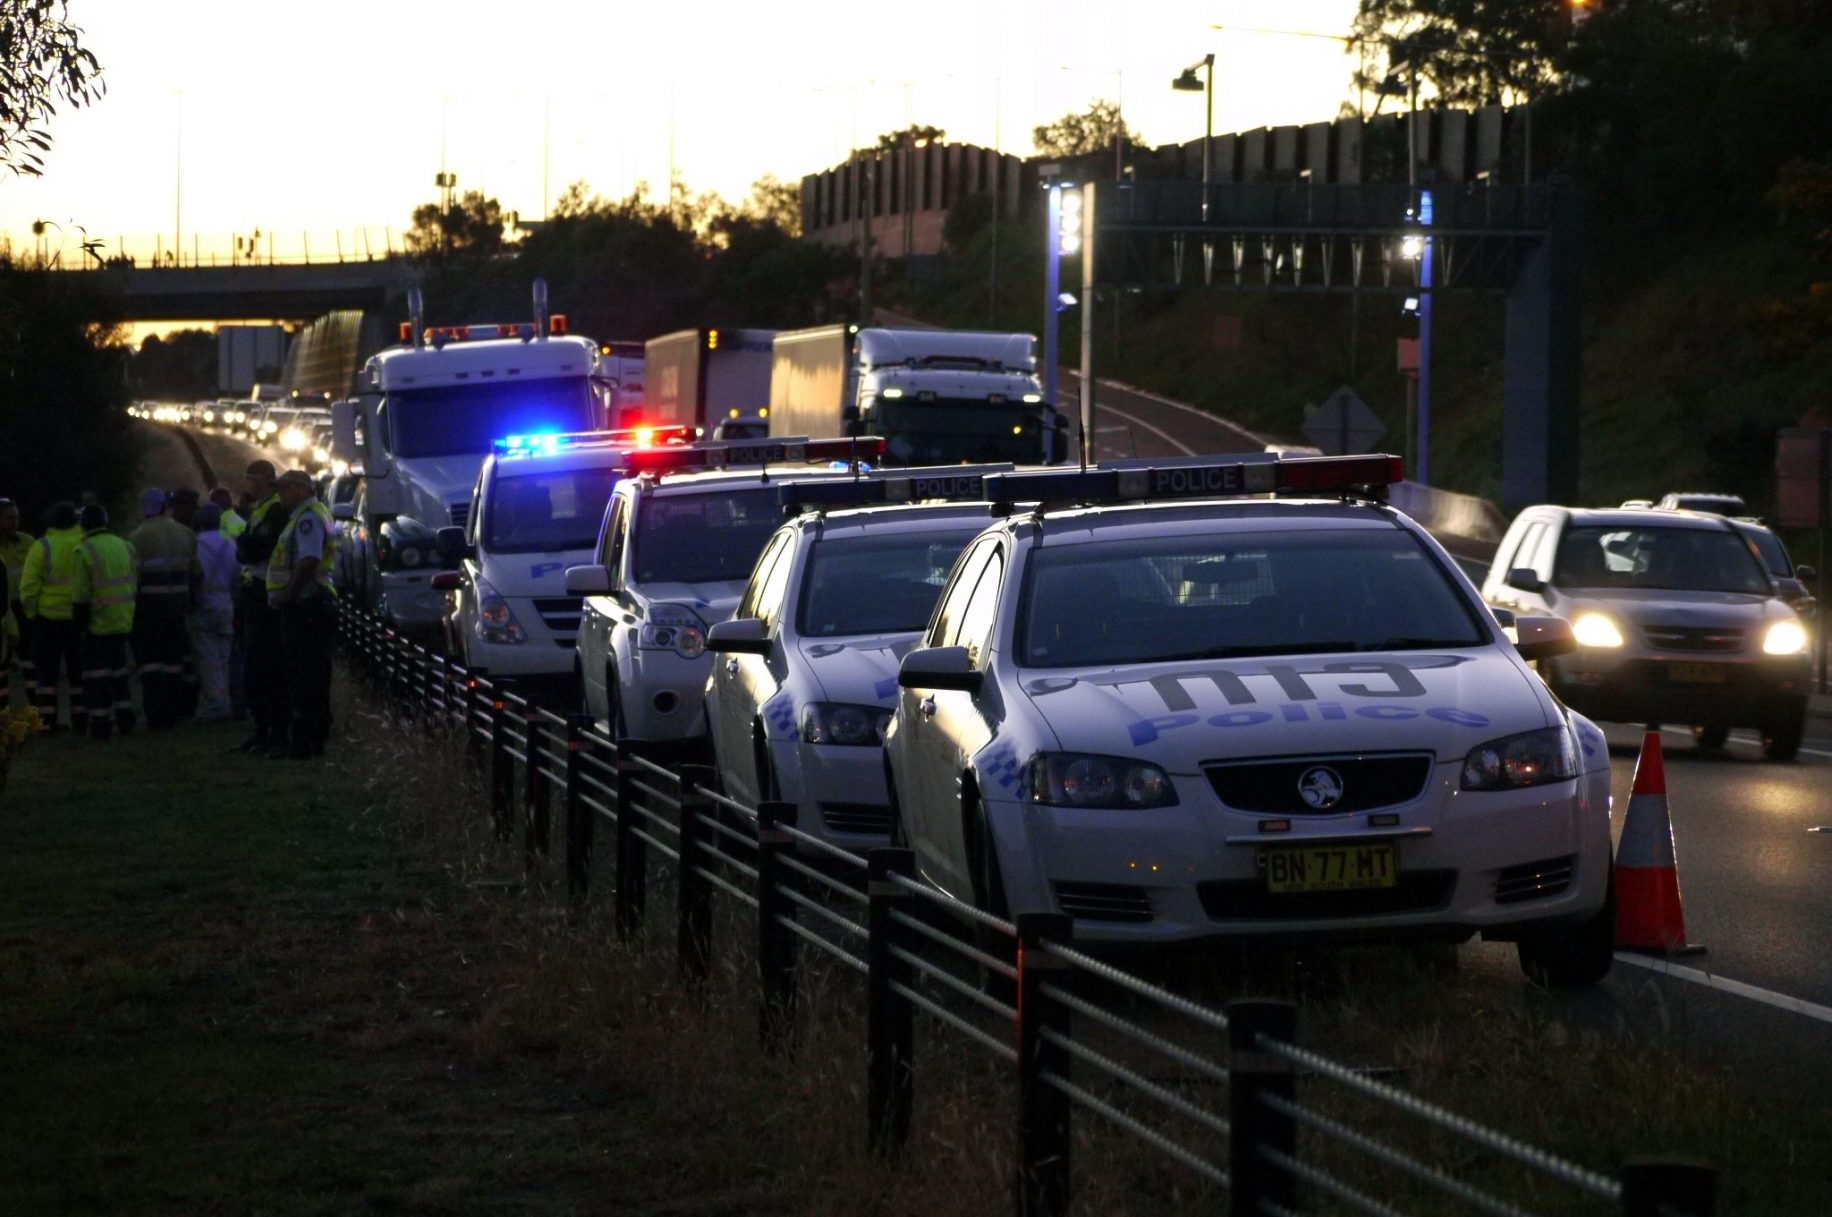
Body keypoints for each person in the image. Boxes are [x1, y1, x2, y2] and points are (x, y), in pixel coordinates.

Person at [267, 470, 337, 758]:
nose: (280, 495)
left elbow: (308, 559)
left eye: (283, 489)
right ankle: (311, 736)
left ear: (300, 489)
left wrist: (288, 594)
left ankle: (305, 740)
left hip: (306, 606)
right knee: (311, 675)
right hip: (310, 605)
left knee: (305, 676)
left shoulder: (307, 518)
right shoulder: (310, 514)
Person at [128, 487, 198, 729]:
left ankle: (156, 714)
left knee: (150, 664)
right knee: (173, 662)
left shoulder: (137, 537)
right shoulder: (186, 534)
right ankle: (174, 711)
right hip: (178, 607)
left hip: (148, 610)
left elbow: (133, 579)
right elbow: (196, 573)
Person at [19, 501, 87, 733]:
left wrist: (31, 614)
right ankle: (81, 719)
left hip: (47, 620)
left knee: (47, 675)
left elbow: (28, 587)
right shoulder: (85, 543)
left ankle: (47, 722)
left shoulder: (42, 546)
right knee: (78, 672)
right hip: (78, 618)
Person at [235, 461, 290, 752]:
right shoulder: (261, 509)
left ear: (264, 481)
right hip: (255, 590)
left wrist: (245, 543)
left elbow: (256, 548)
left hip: (265, 592)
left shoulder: (275, 510)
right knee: (255, 666)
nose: (247, 486)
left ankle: (274, 730)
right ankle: (263, 730)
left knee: (265, 665)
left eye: (250, 480)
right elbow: (246, 548)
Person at [72, 504, 138, 740]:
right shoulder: (125, 546)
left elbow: (80, 596)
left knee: (97, 677)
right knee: (119, 674)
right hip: (124, 619)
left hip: (99, 624)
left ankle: (101, 725)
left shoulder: (84, 551)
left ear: (84, 524)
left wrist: (80, 627)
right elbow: (133, 582)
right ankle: (126, 720)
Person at [190, 502, 238, 721]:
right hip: (226, 601)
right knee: (225, 653)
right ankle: (229, 698)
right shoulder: (231, 544)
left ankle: (218, 703)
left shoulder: (196, 544)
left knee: (207, 655)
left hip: (204, 600)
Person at [0, 498, 36, 705]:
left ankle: (39, 711)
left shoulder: (27, 542)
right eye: (9, 518)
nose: (14, 522)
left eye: (16, 517)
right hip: (2, 611)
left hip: (24, 610)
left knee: (31, 662)